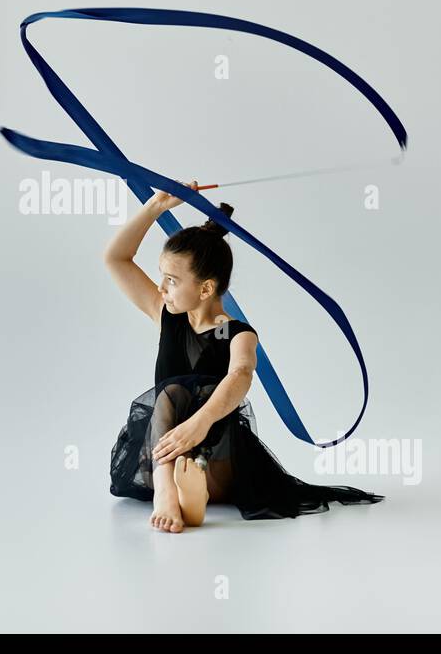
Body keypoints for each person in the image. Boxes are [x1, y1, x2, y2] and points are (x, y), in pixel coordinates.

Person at [104, 181, 385, 532]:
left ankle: (195, 488)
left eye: (171, 280)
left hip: (218, 452)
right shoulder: (168, 316)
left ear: (206, 288)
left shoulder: (237, 333)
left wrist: (200, 423)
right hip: (164, 450)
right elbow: (116, 259)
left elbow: (240, 375)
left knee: (191, 418)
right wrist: (155, 207)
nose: (161, 287)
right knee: (171, 394)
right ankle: (170, 489)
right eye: (162, 277)